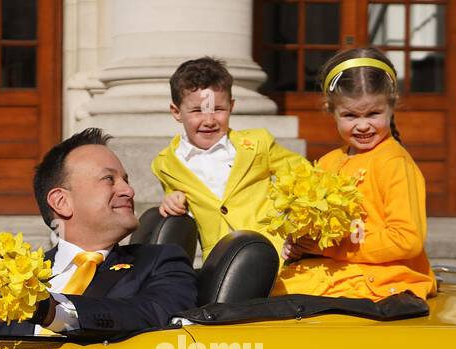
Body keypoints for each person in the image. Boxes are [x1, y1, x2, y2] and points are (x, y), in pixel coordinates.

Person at [0, 128, 198, 339]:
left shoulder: (160, 262)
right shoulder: (9, 277)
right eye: (109, 179)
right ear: (61, 201)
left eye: (125, 180)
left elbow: (154, 316)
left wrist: (52, 311)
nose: (129, 190)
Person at [270, 47, 436, 301]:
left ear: (392, 106)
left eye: (373, 114)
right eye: (350, 115)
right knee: (265, 285)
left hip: (385, 279)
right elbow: (316, 229)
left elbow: (406, 240)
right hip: (339, 271)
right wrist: (301, 244)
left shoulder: (395, 163)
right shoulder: (328, 162)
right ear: (330, 109)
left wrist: (334, 248)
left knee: (282, 296)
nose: (362, 125)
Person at [151, 56, 305, 264]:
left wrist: (295, 230)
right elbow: (176, 194)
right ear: (176, 112)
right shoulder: (165, 163)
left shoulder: (258, 143)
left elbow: (305, 179)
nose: (209, 120)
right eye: (197, 111)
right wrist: (172, 198)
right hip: (221, 264)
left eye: (218, 109)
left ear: (231, 106)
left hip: (274, 253)